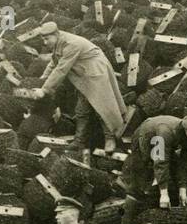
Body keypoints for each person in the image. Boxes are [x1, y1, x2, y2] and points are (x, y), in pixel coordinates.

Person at [29, 21, 128, 159]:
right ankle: (79, 141)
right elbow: (54, 61)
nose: (45, 42)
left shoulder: (71, 44)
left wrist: (44, 89)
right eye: (43, 39)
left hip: (95, 71)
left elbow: (62, 69)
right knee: (81, 109)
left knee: (102, 107)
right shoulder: (59, 42)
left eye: (47, 39)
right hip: (83, 73)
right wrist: (43, 78)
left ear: (56, 34)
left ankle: (110, 139)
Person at [117, 114, 187, 224]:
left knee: (186, 180)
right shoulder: (165, 132)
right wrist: (164, 193)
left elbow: (184, 163)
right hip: (144, 140)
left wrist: (182, 188)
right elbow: (161, 162)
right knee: (139, 183)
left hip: (166, 144)